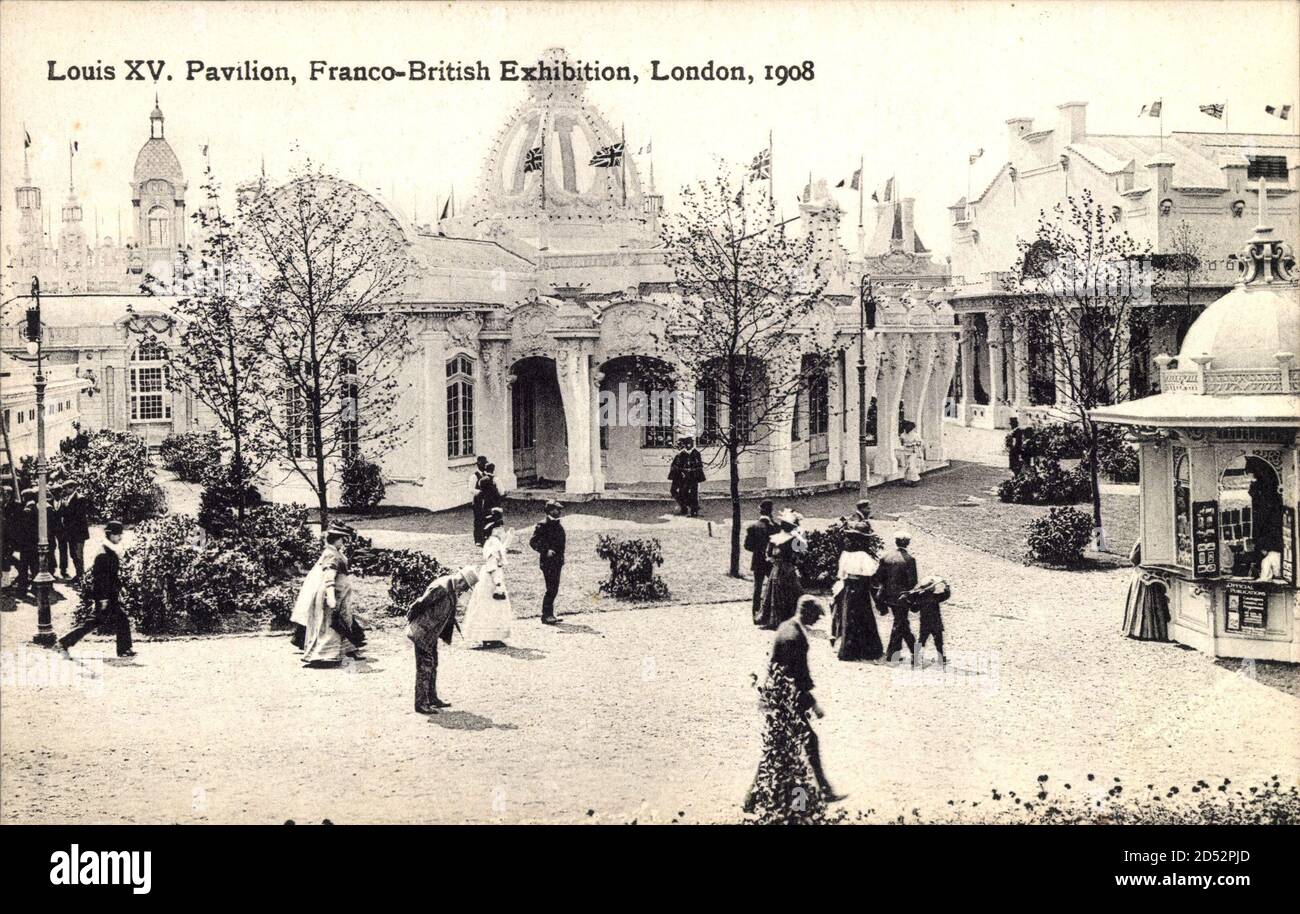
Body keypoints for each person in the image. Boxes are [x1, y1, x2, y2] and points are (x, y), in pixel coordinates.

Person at [745, 596, 845, 809]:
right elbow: (797, 675)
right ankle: (822, 793)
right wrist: (813, 703)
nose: (817, 620)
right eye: (816, 615)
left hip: (780, 696)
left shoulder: (786, 626)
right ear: (806, 612)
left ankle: (751, 799)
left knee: (782, 746)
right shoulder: (795, 637)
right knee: (799, 743)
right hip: (786, 698)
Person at [406, 565, 478, 714]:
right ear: (461, 581)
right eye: (465, 588)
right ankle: (421, 704)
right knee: (425, 666)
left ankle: (432, 698)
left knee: (433, 664)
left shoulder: (451, 587)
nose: (464, 591)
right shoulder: (442, 587)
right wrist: (414, 624)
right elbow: (419, 604)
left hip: (431, 633)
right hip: (423, 631)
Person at [58, 520, 134, 658]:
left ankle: (124, 649)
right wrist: (103, 598)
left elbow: (112, 575)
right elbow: (100, 579)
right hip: (105, 596)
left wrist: (119, 588)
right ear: (110, 535)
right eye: (118, 535)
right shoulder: (103, 554)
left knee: (115, 619)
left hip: (110, 593)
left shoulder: (109, 550)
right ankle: (64, 642)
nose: (120, 537)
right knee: (94, 622)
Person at [298, 522, 363, 666]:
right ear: (336, 539)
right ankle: (322, 655)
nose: (343, 542)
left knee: (342, 621)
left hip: (341, 593)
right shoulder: (331, 554)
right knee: (329, 623)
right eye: (341, 539)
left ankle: (343, 650)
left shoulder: (335, 552)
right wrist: (331, 597)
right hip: (332, 593)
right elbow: (329, 576)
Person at [831, 525, 883, 661]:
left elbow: (841, 574)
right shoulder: (864, 556)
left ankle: (848, 650)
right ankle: (867, 650)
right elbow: (871, 575)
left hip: (848, 588)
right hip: (861, 589)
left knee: (849, 617)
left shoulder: (845, 554)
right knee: (864, 618)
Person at [463, 506, 513, 646]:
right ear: (495, 530)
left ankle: (491, 637)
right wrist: (498, 584)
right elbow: (493, 564)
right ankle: (490, 637)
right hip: (491, 578)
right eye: (501, 528)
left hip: (488, 577)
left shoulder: (492, 542)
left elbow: (501, 551)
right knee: (492, 605)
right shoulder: (493, 542)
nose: (502, 530)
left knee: (489, 606)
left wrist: (509, 538)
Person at [755, 509, 806, 630]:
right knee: (787, 592)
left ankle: (778, 619)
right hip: (785, 568)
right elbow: (798, 554)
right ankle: (786, 619)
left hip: (778, 568)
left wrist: (774, 559)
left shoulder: (778, 538)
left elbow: (769, 553)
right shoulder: (791, 539)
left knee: (778, 592)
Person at [877, 532, 919, 665]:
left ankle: (913, 651)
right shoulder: (910, 559)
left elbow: (879, 577)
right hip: (902, 597)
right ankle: (892, 654)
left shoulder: (886, 557)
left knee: (902, 623)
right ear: (907, 543)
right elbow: (913, 582)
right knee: (899, 623)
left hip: (888, 596)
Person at [1121, 541, 1169, 641]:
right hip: (1155, 575)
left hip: (1143, 575)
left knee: (1141, 602)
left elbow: (1133, 559)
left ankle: (1139, 630)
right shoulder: (1161, 538)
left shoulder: (1143, 539)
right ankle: (1155, 631)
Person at [530, 499, 566, 624]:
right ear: (550, 510)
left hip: (557, 561)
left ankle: (550, 614)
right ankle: (546, 615)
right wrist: (546, 551)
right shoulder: (543, 524)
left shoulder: (557, 524)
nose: (559, 511)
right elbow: (533, 542)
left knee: (554, 588)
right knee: (551, 589)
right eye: (557, 509)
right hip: (548, 562)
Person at [743, 499, 776, 626]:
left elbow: (747, 546)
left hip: (757, 561)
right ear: (770, 511)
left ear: (760, 511)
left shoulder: (752, 527)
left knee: (757, 588)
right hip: (771, 562)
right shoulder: (774, 527)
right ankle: (771, 614)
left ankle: (756, 614)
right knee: (772, 587)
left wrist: (758, 550)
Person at [907, 576, 952, 665]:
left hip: (924, 623)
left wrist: (912, 599)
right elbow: (946, 595)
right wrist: (947, 586)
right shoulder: (935, 597)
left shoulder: (920, 597)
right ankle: (941, 659)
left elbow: (914, 609)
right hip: (936, 623)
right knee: (939, 641)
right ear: (932, 588)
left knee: (921, 641)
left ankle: (915, 659)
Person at [60, 481, 92, 585]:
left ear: (73, 488)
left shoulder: (80, 499)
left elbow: (78, 516)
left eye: (67, 488)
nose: (65, 490)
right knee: (73, 554)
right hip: (71, 533)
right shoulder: (67, 499)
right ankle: (78, 575)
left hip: (78, 532)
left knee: (78, 555)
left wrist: (66, 507)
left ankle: (81, 577)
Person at [668, 437, 705, 516]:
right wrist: (682, 471)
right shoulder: (681, 454)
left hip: (693, 476)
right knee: (682, 493)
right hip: (683, 477)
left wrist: (692, 469)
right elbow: (676, 465)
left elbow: (700, 465)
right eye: (687, 444)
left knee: (693, 493)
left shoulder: (696, 453)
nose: (688, 445)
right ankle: (687, 506)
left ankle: (694, 510)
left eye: (690, 443)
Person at [474, 463, 503, 547]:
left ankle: (485, 539)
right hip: (495, 503)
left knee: (486, 520)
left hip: (485, 503)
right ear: (493, 469)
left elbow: (480, 491)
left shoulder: (481, 480)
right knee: (496, 521)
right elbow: (501, 491)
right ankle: (496, 540)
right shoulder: (496, 479)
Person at [899, 420, 924, 486]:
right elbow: (902, 443)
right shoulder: (903, 435)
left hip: (914, 452)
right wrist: (905, 444)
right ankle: (907, 480)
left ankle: (915, 480)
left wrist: (913, 444)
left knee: (911, 465)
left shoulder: (915, 435)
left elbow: (920, 443)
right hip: (906, 452)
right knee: (907, 466)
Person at [471, 455, 489, 544]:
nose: (484, 465)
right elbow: (471, 489)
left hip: (486, 500)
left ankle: (484, 536)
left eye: (485, 463)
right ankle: (478, 539)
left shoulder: (487, 475)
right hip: (478, 500)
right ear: (478, 464)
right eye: (483, 463)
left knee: (486, 518)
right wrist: (480, 492)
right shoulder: (474, 476)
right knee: (478, 519)